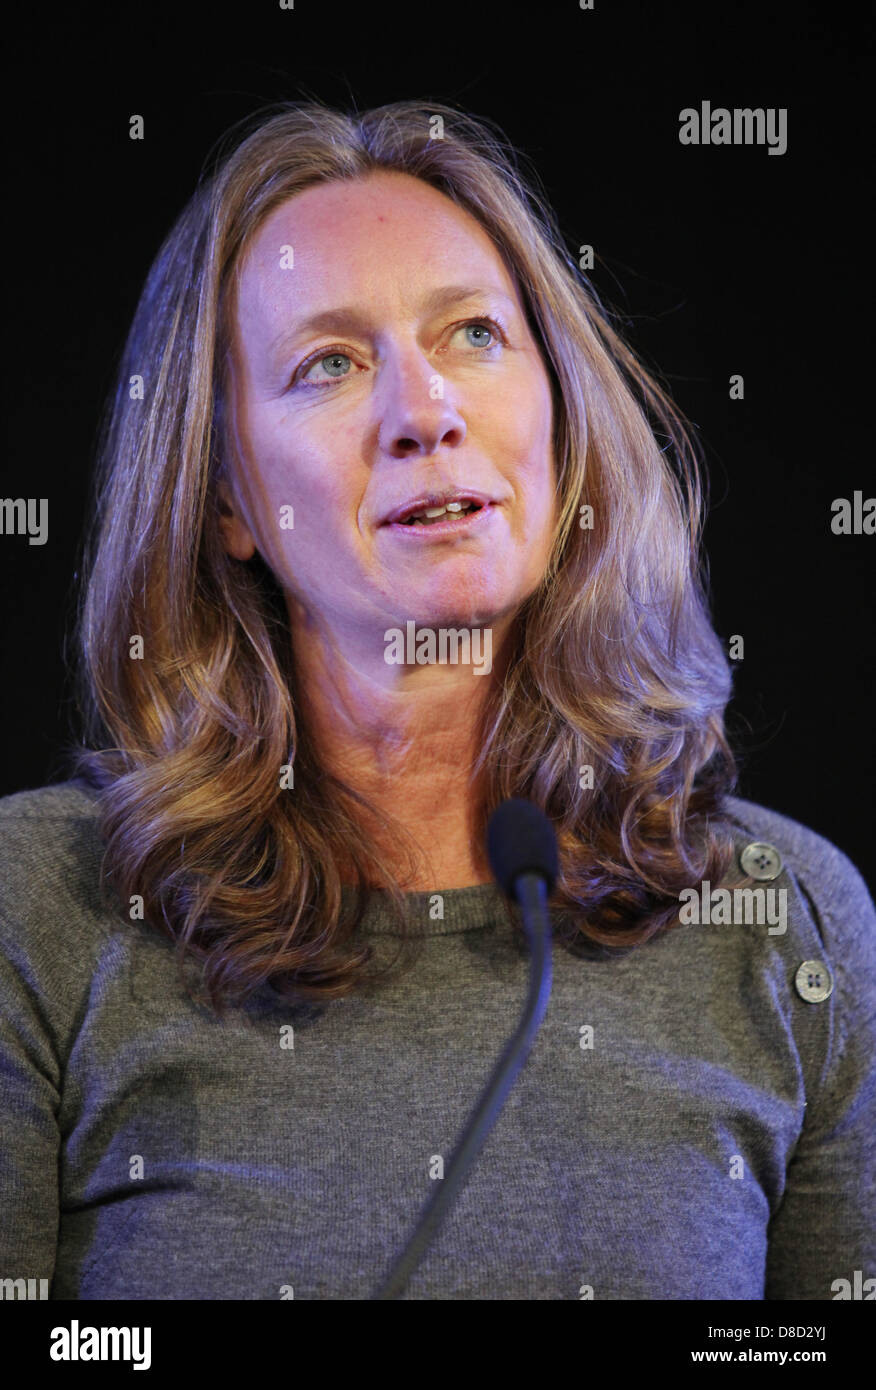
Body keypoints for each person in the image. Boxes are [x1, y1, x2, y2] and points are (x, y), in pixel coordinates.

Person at [1, 99, 873, 1301]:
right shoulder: (39, 909)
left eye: (472, 334)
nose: (425, 413)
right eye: (330, 365)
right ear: (228, 506)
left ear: (558, 420)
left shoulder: (790, 926)